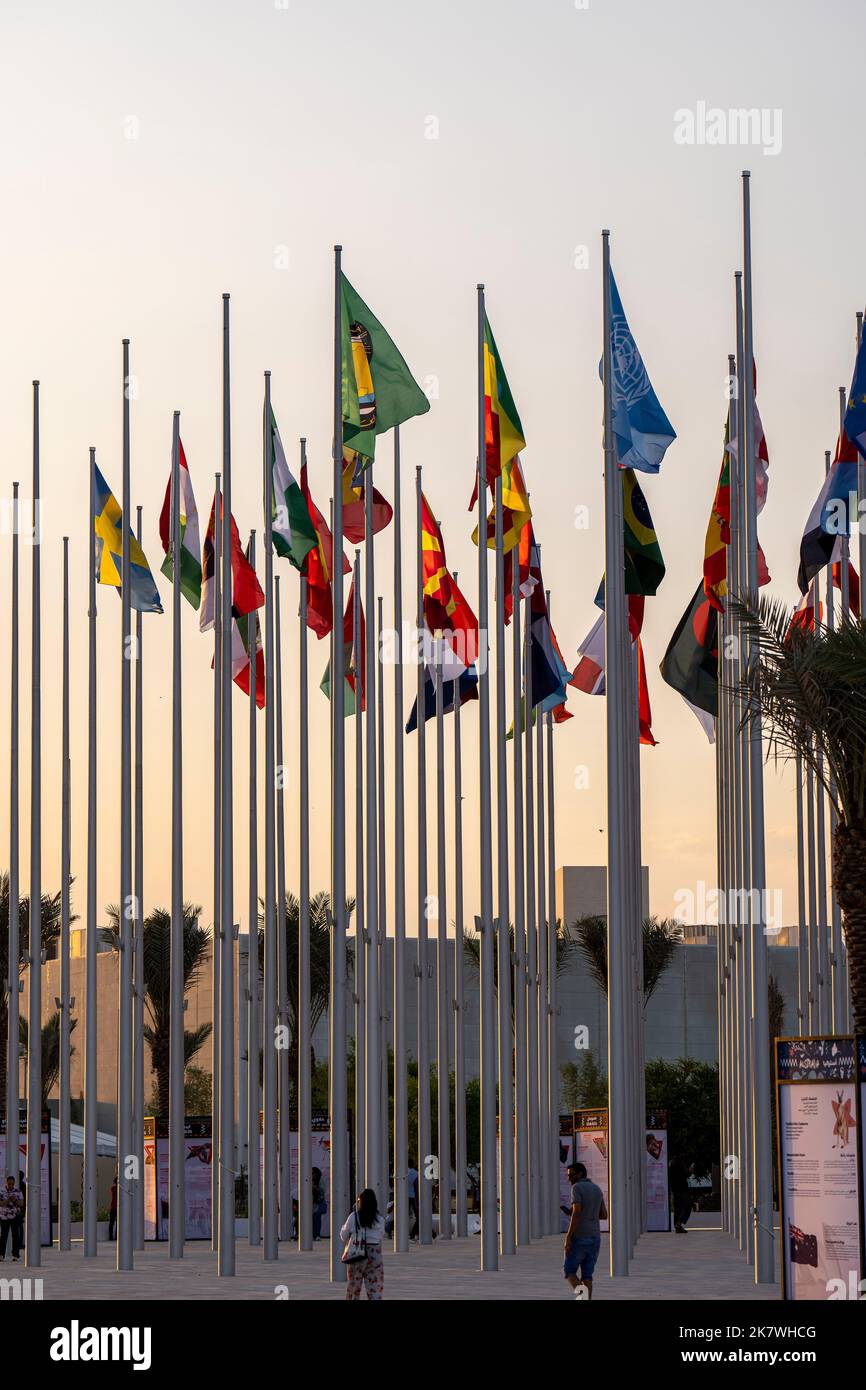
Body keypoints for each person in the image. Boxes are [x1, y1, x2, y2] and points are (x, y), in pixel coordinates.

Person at [563, 1161, 607, 1300]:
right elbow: (604, 1215)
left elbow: (577, 1213)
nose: (568, 1178)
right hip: (595, 1237)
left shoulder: (577, 1188)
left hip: (580, 1236)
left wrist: (568, 1237)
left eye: (571, 1175)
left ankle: (583, 1296)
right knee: (587, 1275)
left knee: (569, 1271)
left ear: (580, 1174)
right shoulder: (596, 1189)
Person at [340, 1188, 386, 1301]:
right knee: (375, 1288)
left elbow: (343, 1235)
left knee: (353, 1288)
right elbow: (380, 1236)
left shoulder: (353, 1217)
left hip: (356, 1253)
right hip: (374, 1254)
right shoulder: (379, 1219)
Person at [0, 1175, 23, 1262]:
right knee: (3, 1236)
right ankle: (1, 1254)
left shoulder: (18, 1191)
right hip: (4, 1217)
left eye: (12, 1184)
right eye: (9, 1184)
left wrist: (15, 1200)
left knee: (15, 1236)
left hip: (15, 1216)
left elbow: (21, 1203)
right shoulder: (1, 1191)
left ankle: (15, 1255)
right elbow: (1, 1204)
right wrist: (8, 1199)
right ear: (6, 1183)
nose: (10, 1186)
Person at [669, 1155, 692, 1233]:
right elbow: (686, 1173)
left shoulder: (670, 1163)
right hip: (682, 1188)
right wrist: (691, 1170)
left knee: (677, 1208)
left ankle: (677, 1226)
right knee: (687, 1206)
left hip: (674, 1188)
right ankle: (679, 1223)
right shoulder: (680, 1162)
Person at [311, 1167, 327, 1241]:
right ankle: (312, 1234)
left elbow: (323, 1191)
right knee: (312, 1219)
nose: (312, 1175)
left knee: (317, 1218)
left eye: (313, 1173)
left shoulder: (320, 1180)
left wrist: (315, 1187)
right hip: (311, 1203)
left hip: (318, 1202)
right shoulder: (309, 1180)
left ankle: (317, 1234)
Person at [407, 1164, 419, 1240]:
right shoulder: (416, 1174)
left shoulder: (405, 1172)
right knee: (418, 1216)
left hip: (405, 1197)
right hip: (414, 1197)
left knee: (404, 1216)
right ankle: (413, 1235)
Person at [108, 1174, 118, 1242]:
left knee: (113, 1222)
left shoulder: (113, 1188)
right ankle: (112, 1236)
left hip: (114, 1207)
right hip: (115, 1207)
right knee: (113, 1222)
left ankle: (114, 1236)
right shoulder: (114, 1188)